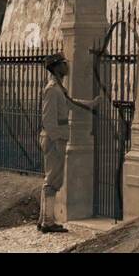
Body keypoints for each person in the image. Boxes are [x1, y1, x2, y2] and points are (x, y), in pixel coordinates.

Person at [38, 54, 101, 233]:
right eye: (64, 64)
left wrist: (90, 104)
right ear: (57, 67)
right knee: (53, 179)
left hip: (56, 137)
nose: (67, 66)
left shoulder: (58, 87)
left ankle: (44, 218)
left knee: (51, 179)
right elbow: (48, 120)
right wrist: (57, 139)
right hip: (54, 138)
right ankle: (48, 222)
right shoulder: (52, 89)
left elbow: (71, 103)